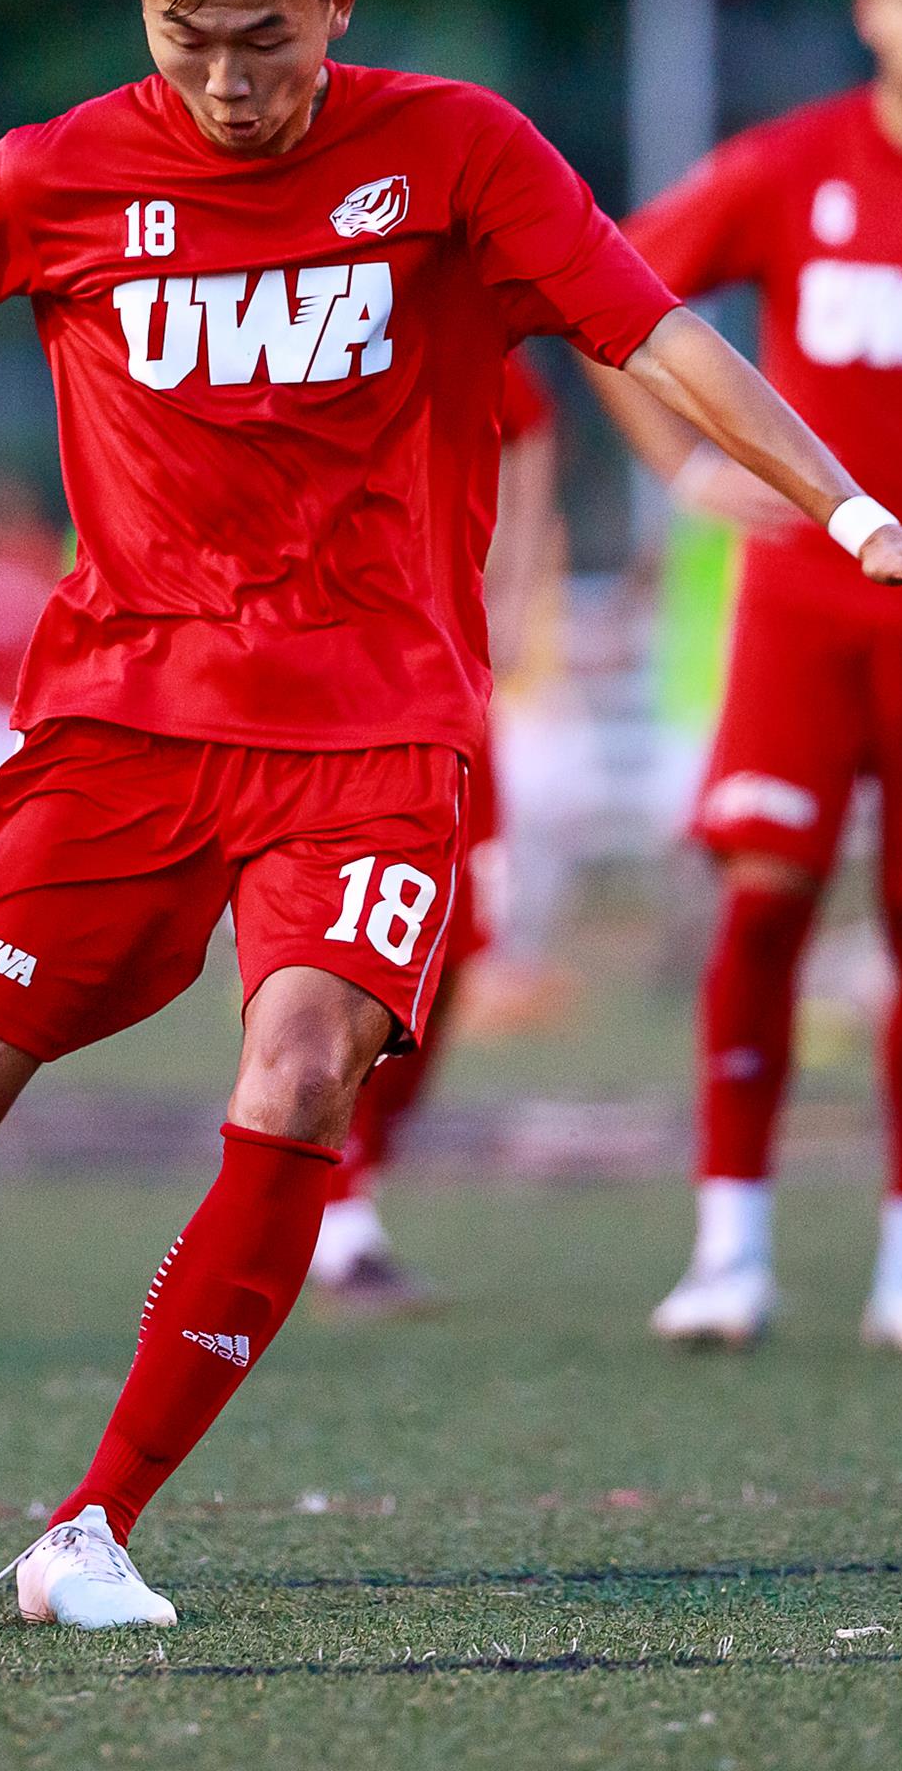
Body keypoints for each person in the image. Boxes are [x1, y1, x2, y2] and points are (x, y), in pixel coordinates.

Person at [0, 0, 902, 1628]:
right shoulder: (61, 175)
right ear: (143, 4)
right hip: (126, 719)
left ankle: (92, 1528)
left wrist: (845, 511)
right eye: (183, 36)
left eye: (265, 38)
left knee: (300, 1073)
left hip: (375, 730)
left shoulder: (454, 154)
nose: (224, 80)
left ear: (339, 5)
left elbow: (656, 336)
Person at [588, 0, 902, 1352]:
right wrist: (684, 467)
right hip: (804, 613)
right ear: (870, 14)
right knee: (758, 904)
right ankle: (727, 1250)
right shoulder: (792, 165)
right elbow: (611, 297)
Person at [309, 353, 557, 1311]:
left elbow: (531, 423)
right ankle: (334, 1213)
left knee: (447, 960)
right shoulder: (270, 293)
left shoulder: (443, 287)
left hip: (446, 676)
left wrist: (519, 579)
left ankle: (343, 1178)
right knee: (341, 953)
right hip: (319, 677)